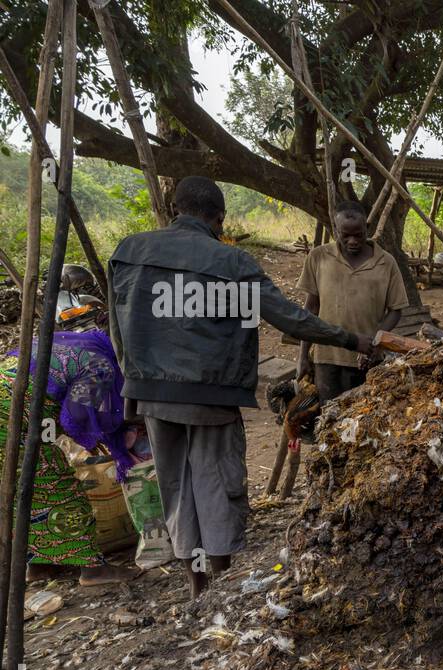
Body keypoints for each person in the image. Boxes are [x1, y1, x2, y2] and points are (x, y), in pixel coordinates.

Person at [108, 175, 374, 598]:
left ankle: (196, 588)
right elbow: (287, 317)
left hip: (151, 392)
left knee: (175, 485)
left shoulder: (128, 251)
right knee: (215, 481)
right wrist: (350, 339)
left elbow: (117, 327)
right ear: (219, 219)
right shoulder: (232, 263)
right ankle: (224, 584)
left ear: (175, 209)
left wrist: (133, 383)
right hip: (210, 393)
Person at [1, 329, 139, 587]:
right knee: (59, 487)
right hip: (16, 411)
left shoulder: (78, 344)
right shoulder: (101, 366)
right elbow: (72, 418)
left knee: (26, 489)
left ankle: (40, 564)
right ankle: (93, 569)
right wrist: (94, 441)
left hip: (10, 401)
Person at [296, 200, 408, 401]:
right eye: (345, 235)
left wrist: (376, 342)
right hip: (326, 358)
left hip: (366, 361)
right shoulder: (318, 257)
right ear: (335, 230)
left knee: (361, 419)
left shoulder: (386, 262)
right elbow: (310, 310)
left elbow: (396, 309)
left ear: (368, 228)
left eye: (358, 234)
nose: (352, 241)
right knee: (327, 419)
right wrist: (303, 356)